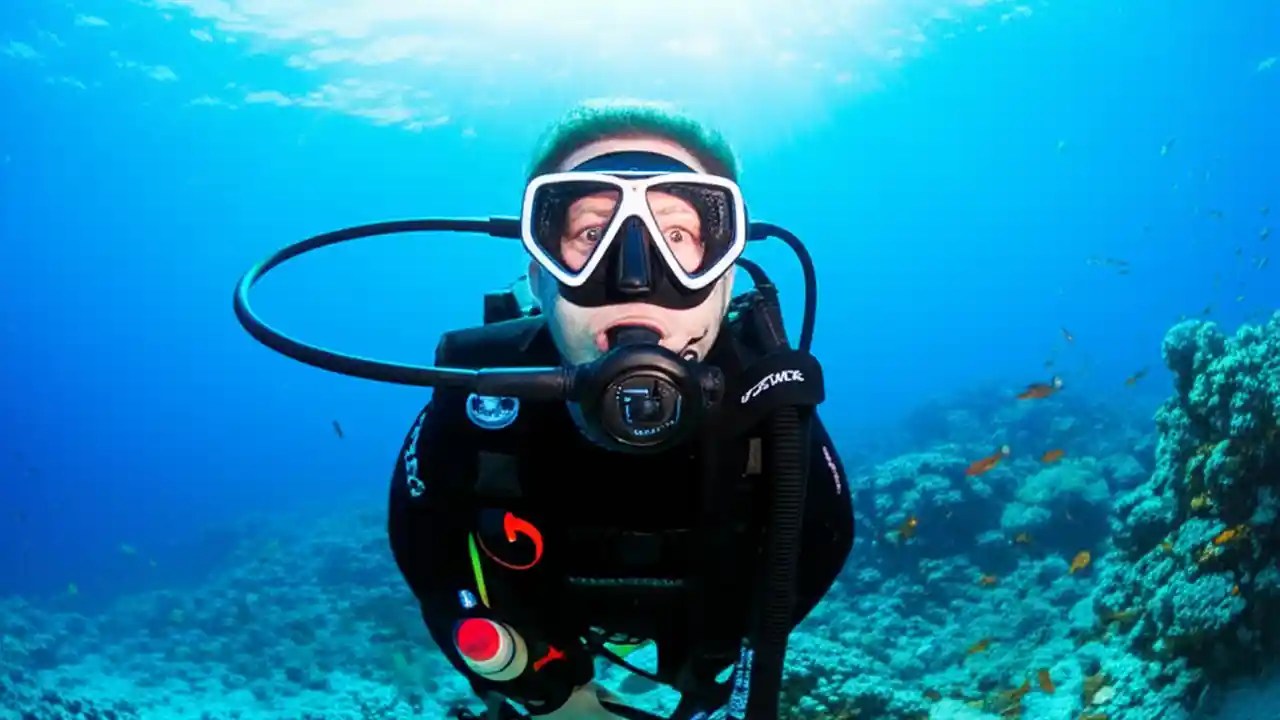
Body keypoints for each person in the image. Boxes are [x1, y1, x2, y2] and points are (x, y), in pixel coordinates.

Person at [384, 102, 854, 720]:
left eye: (678, 234)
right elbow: (424, 546)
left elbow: (823, 542)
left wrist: (718, 668)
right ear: (540, 277)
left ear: (727, 277)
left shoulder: (765, 402)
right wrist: (535, 687)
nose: (635, 277)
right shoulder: (480, 394)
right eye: (588, 233)